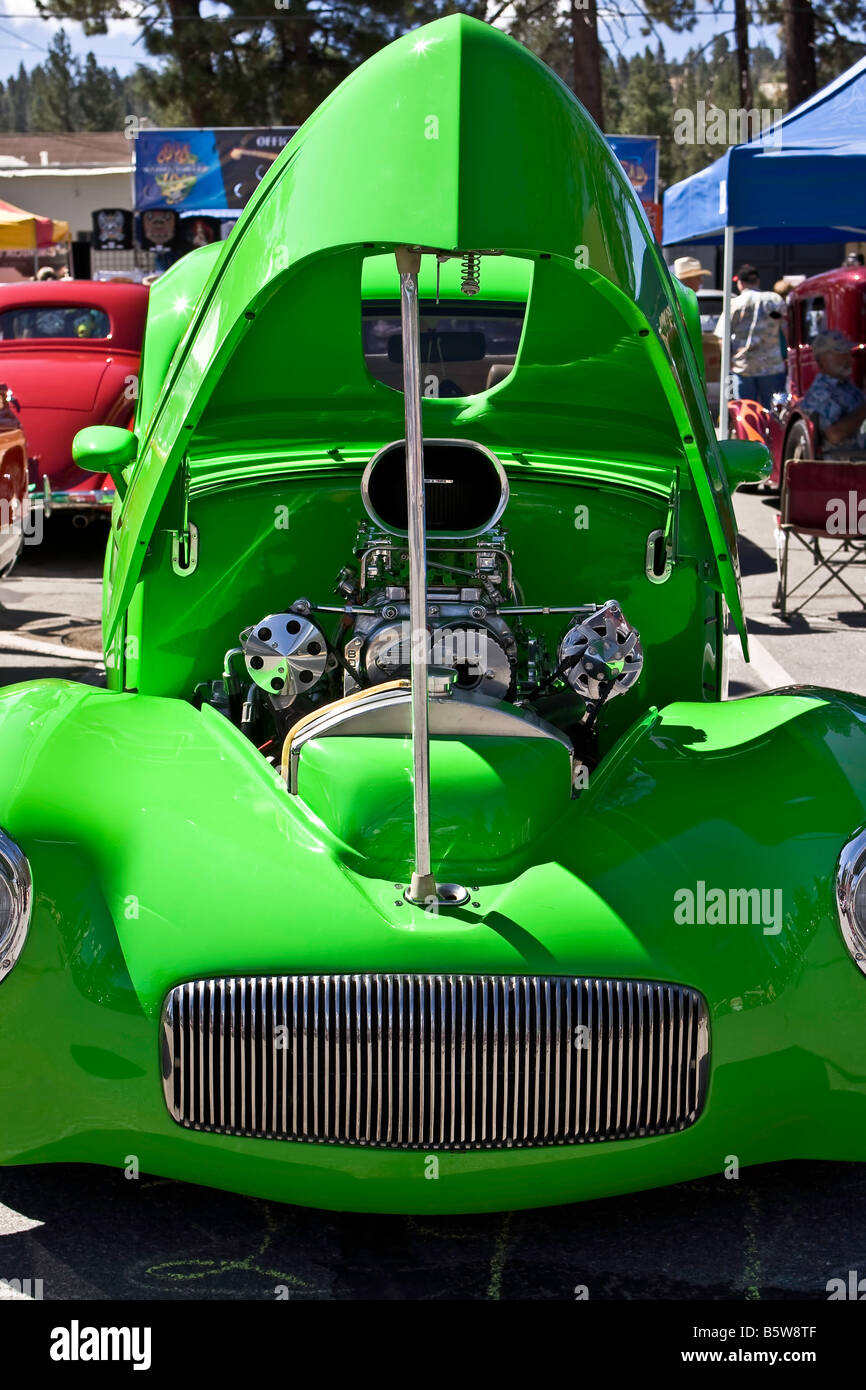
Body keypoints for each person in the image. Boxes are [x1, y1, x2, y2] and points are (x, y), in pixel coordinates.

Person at [713, 263, 786, 408]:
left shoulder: (734, 304)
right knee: (774, 410)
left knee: (747, 411)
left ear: (740, 283)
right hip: (772, 365)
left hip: (743, 366)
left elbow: (722, 337)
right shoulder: (775, 300)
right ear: (757, 281)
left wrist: (727, 363)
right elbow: (786, 328)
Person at [798, 330, 866, 457]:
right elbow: (834, 435)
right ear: (823, 359)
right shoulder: (820, 393)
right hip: (844, 464)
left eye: (849, 353)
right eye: (842, 353)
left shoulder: (846, 386)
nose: (850, 359)